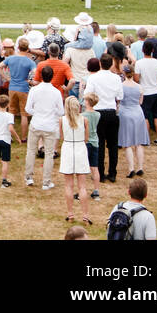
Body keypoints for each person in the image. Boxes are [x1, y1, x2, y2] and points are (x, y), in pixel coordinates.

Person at [84, 57, 123, 183]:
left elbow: (87, 93)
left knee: (99, 143)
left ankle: (100, 172)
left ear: (101, 64)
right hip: (111, 111)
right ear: (111, 64)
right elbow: (120, 96)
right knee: (113, 145)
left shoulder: (94, 78)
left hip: (99, 111)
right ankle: (112, 173)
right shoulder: (116, 78)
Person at [25, 66, 64, 190]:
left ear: (41, 76)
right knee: (48, 153)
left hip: (37, 123)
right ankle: (46, 182)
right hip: (49, 125)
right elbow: (61, 111)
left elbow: (28, 109)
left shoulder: (34, 90)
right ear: (52, 77)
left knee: (31, 151)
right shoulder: (56, 92)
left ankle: (29, 177)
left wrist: (36, 113)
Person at [59, 95, 94, 226]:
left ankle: (70, 214)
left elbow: (61, 136)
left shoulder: (62, 120)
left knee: (68, 185)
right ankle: (85, 215)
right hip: (79, 148)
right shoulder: (84, 120)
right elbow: (86, 137)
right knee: (82, 186)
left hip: (68, 148)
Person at [0, 38, 36, 141]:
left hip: (12, 88)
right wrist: (30, 81)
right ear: (27, 48)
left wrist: (6, 78)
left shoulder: (11, 59)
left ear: (18, 47)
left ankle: (9, 136)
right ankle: (24, 137)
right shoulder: (29, 61)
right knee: (24, 114)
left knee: (11, 112)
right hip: (23, 88)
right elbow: (36, 72)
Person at [118, 63, 149, 178]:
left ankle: (131, 168)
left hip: (125, 113)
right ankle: (140, 167)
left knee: (127, 143)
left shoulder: (121, 86)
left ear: (124, 73)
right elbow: (140, 102)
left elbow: (119, 100)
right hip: (137, 113)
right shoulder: (139, 87)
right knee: (139, 143)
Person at [136, 37, 157, 147]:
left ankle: (146, 138)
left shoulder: (139, 63)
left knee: (145, 116)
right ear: (153, 50)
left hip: (146, 92)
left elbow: (136, 79)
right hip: (156, 91)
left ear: (143, 50)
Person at [0, 94, 20, 187]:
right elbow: (11, 128)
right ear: (8, 104)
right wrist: (17, 137)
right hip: (5, 140)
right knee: (5, 161)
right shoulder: (9, 116)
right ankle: (4, 181)